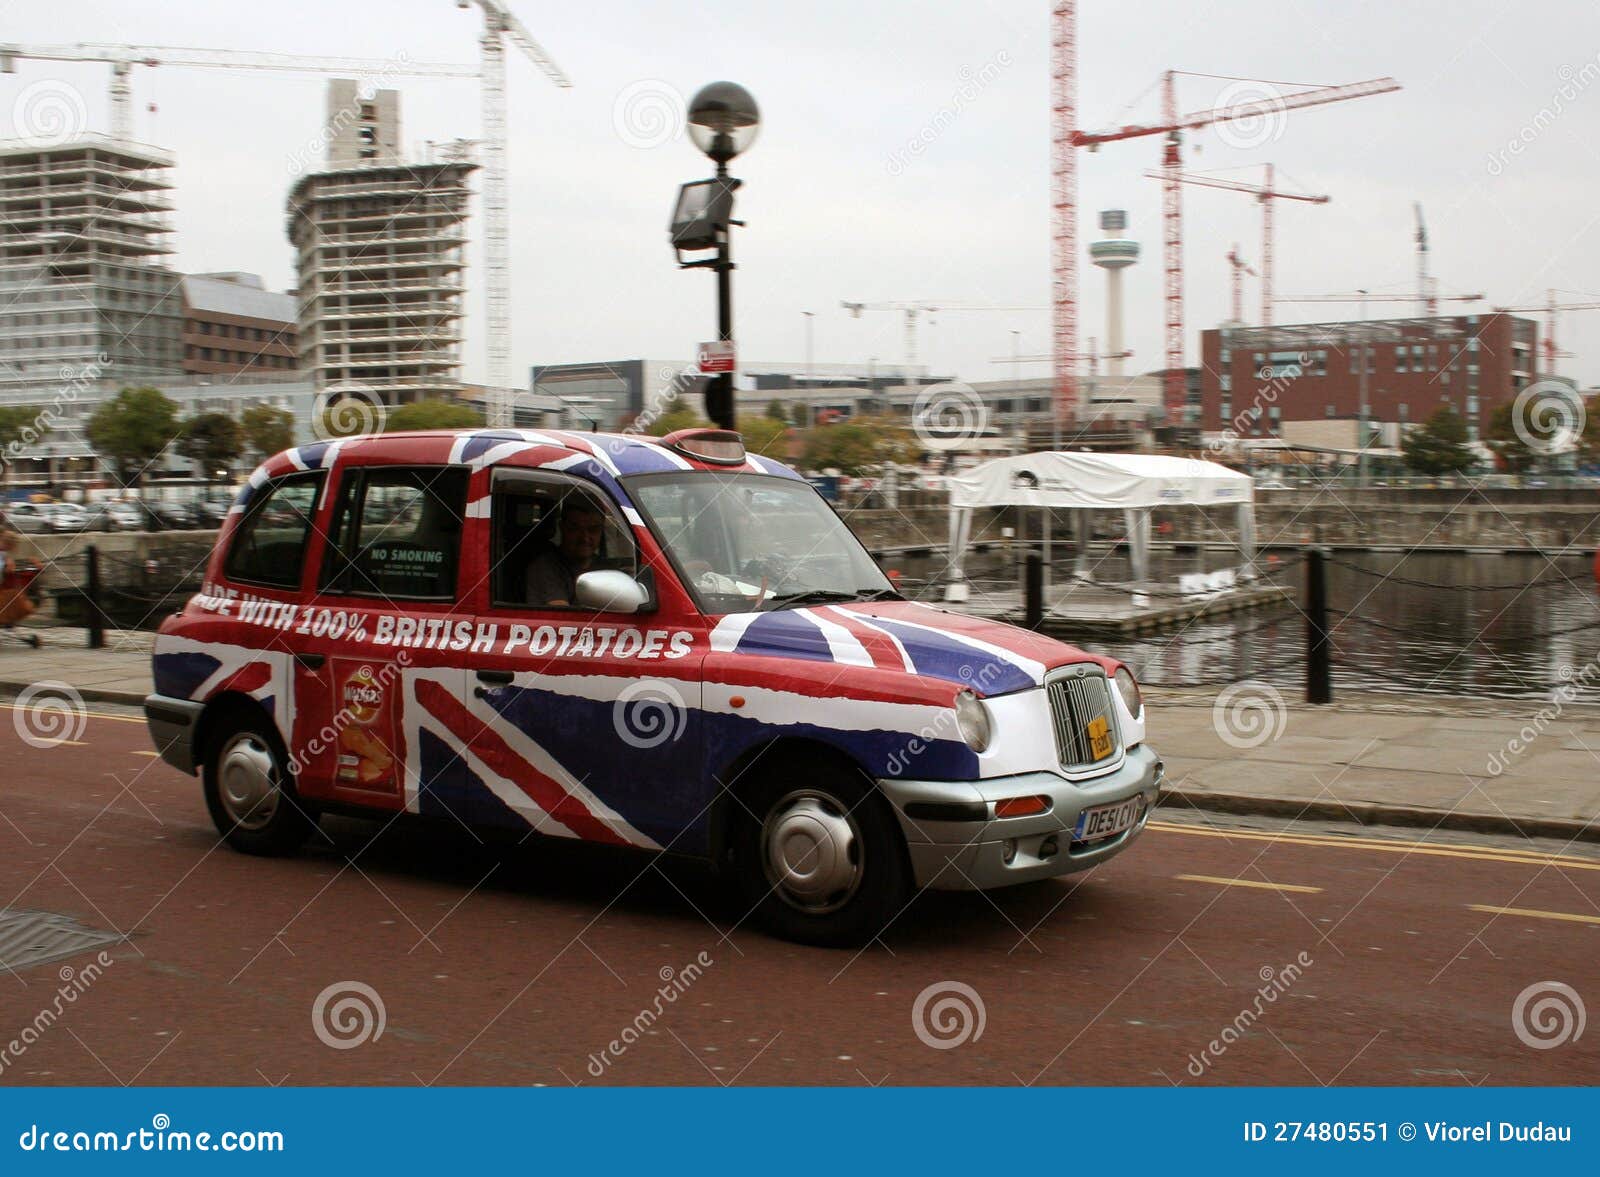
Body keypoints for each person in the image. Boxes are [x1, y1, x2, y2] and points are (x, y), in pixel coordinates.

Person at [524, 498, 606, 607]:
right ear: (562, 528)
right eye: (575, 529)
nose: (585, 538)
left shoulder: (606, 568)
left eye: (593, 530)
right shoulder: (544, 567)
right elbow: (563, 617)